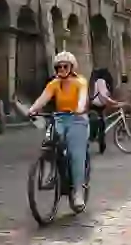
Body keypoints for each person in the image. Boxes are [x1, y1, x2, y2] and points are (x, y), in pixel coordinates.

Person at [27, 52, 89, 210]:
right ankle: (51, 172)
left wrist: (80, 108)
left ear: (71, 67)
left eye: (65, 66)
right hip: (59, 118)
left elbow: (82, 97)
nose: (61, 69)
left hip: (77, 119)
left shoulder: (80, 82)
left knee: (76, 154)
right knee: (49, 143)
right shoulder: (54, 84)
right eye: (58, 67)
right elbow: (43, 98)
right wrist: (33, 109)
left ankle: (78, 192)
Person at [88, 68, 120, 154]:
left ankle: (100, 142)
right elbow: (103, 94)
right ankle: (100, 142)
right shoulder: (100, 81)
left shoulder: (99, 81)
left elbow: (104, 94)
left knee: (101, 124)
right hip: (96, 106)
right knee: (101, 125)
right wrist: (112, 101)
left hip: (99, 106)